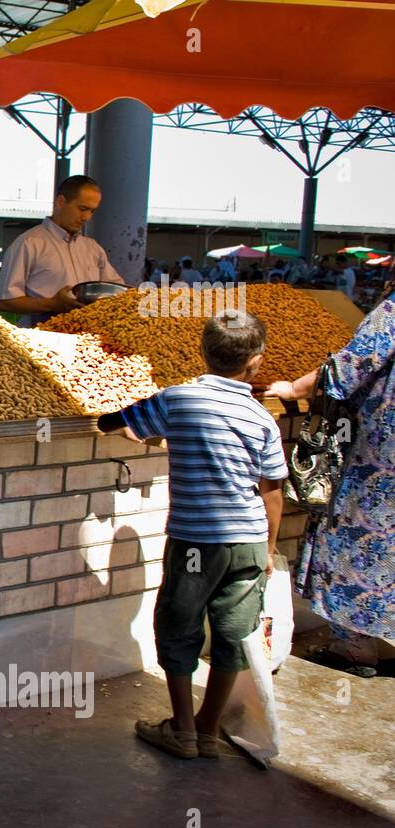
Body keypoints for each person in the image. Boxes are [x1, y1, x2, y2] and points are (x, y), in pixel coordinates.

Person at [99, 309, 287, 759]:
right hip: (247, 541)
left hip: (194, 542)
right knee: (233, 634)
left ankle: (181, 728)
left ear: (201, 352)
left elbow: (113, 422)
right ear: (256, 361)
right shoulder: (261, 417)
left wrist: (149, 436)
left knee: (178, 627)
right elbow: (273, 490)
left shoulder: (178, 400)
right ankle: (207, 728)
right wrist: (269, 548)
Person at [264, 298, 394, 677]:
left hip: (379, 458)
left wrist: (293, 388)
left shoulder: (391, 314)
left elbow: (347, 368)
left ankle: (354, 648)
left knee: (353, 540)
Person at [0, 175, 125, 327]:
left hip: (89, 337)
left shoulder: (93, 248)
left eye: (92, 211)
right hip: (43, 336)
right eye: (82, 209)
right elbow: (4, 301)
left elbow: (118, 292)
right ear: (61, 202)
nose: (86, 217)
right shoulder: (29, 243)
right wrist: (52, 304)